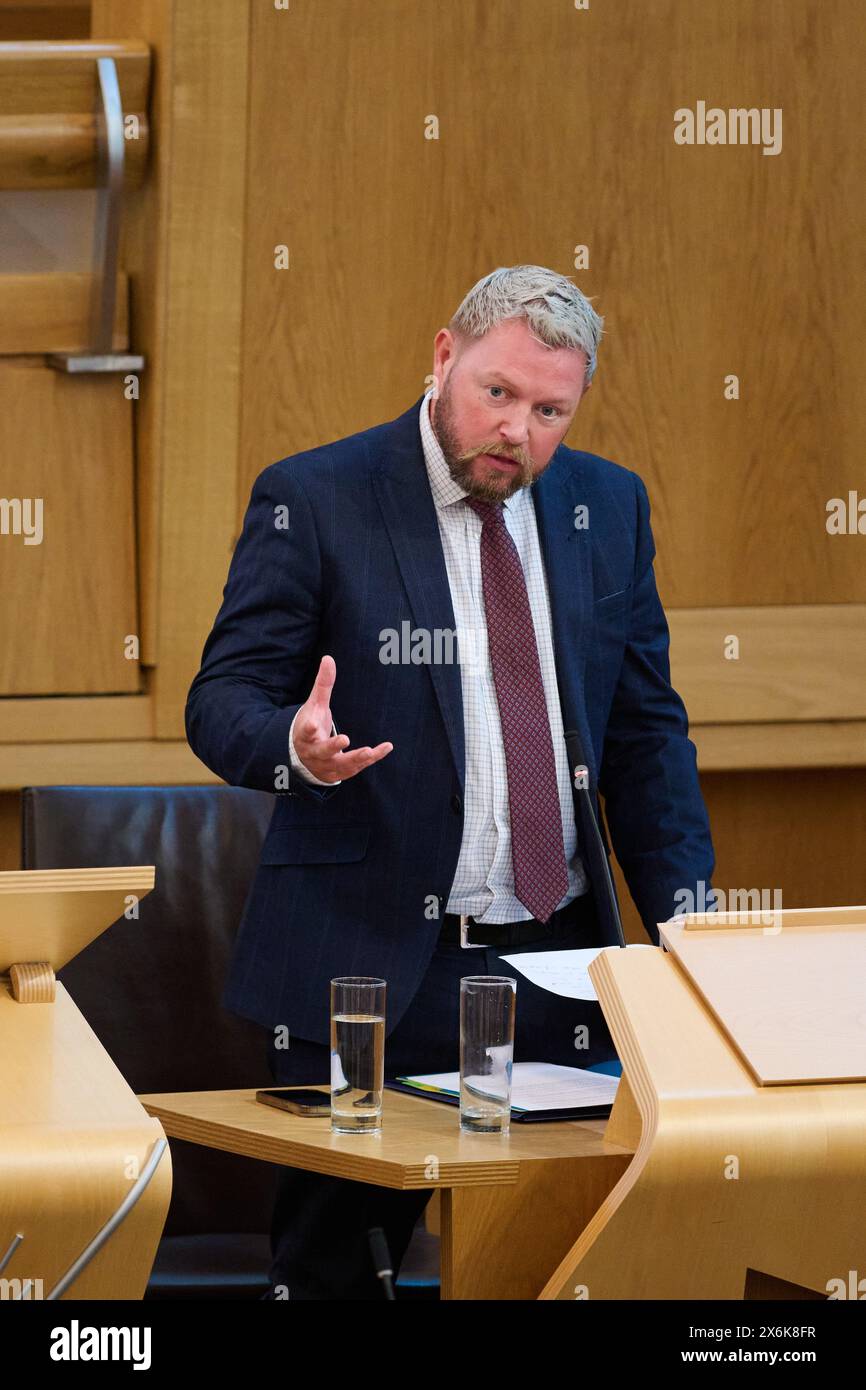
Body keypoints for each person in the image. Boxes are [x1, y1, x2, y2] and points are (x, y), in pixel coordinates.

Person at [185, 264, 714, 1299]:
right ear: (442, 358)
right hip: (375, 966)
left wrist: (688, 929)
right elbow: (222, 699)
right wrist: (293, 746)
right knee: (337, 1270)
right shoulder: (318, 496)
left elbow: (646, 734)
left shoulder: (606, 508)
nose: (516, 429)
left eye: (548, 409)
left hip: (560, 966)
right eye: (496, 393)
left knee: (568, 1261)